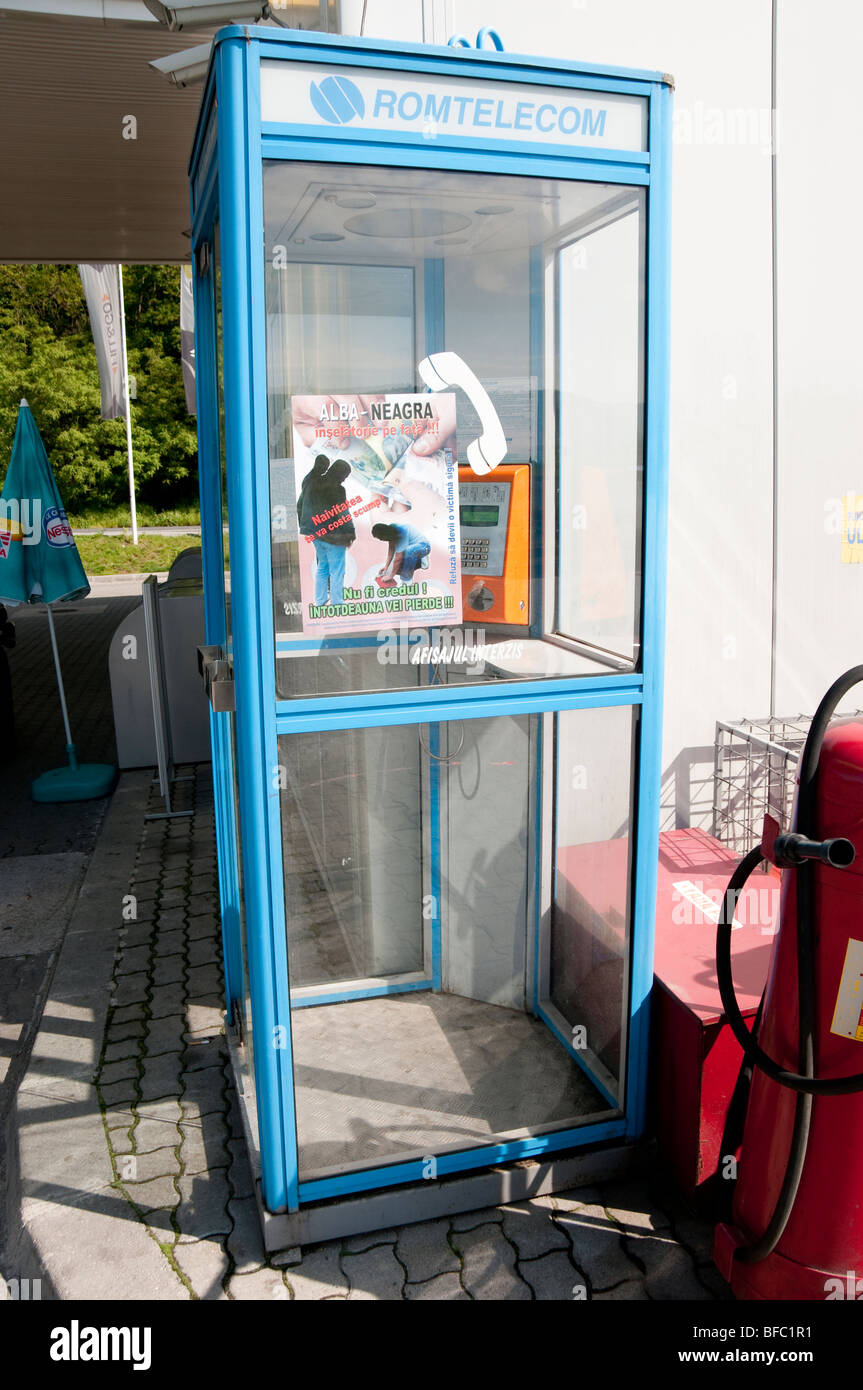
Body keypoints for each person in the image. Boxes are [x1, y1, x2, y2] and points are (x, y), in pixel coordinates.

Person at [307, 459, 355, 607]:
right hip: (334, 536)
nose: (344, 479)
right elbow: (343, 513)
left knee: (322, 567)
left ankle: (320, 600)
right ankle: (337, 603)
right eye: (345, 476)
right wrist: (350, 532)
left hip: (316, 533)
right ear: (341, 474)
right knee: (337, 570)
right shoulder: (338, 489)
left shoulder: (314, 483)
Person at [371, 520, 430, 586]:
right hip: (412, 545)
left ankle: (407, 581)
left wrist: (391, 576)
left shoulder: (401, 534)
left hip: (424, 547)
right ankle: (419, 558)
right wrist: (386, 567)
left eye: (380, 538)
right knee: (397, 569)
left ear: (384, 535)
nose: (381, 540)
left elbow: (398, 559)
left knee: (407, 553)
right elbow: (391, 550)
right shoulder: (391, 530)